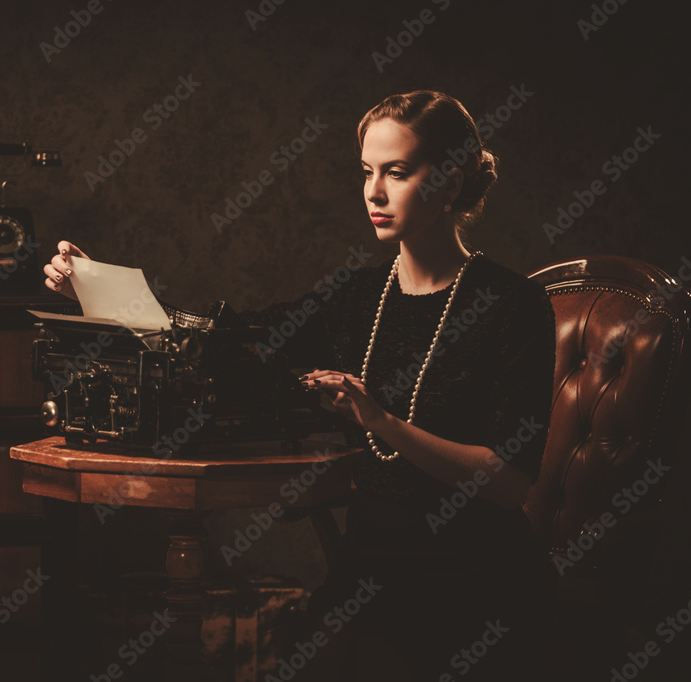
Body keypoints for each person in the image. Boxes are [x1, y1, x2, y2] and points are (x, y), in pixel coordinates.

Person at [44, 90, 556, 680]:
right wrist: (99, 290)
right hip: (369, 568)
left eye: (397, 172)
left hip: (476, 575)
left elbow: (510, 483)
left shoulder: (512, 305)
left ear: (450, 182)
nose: (374, 192)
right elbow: (230, 342)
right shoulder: (357, 297)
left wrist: (380, 420)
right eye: (367, 171)